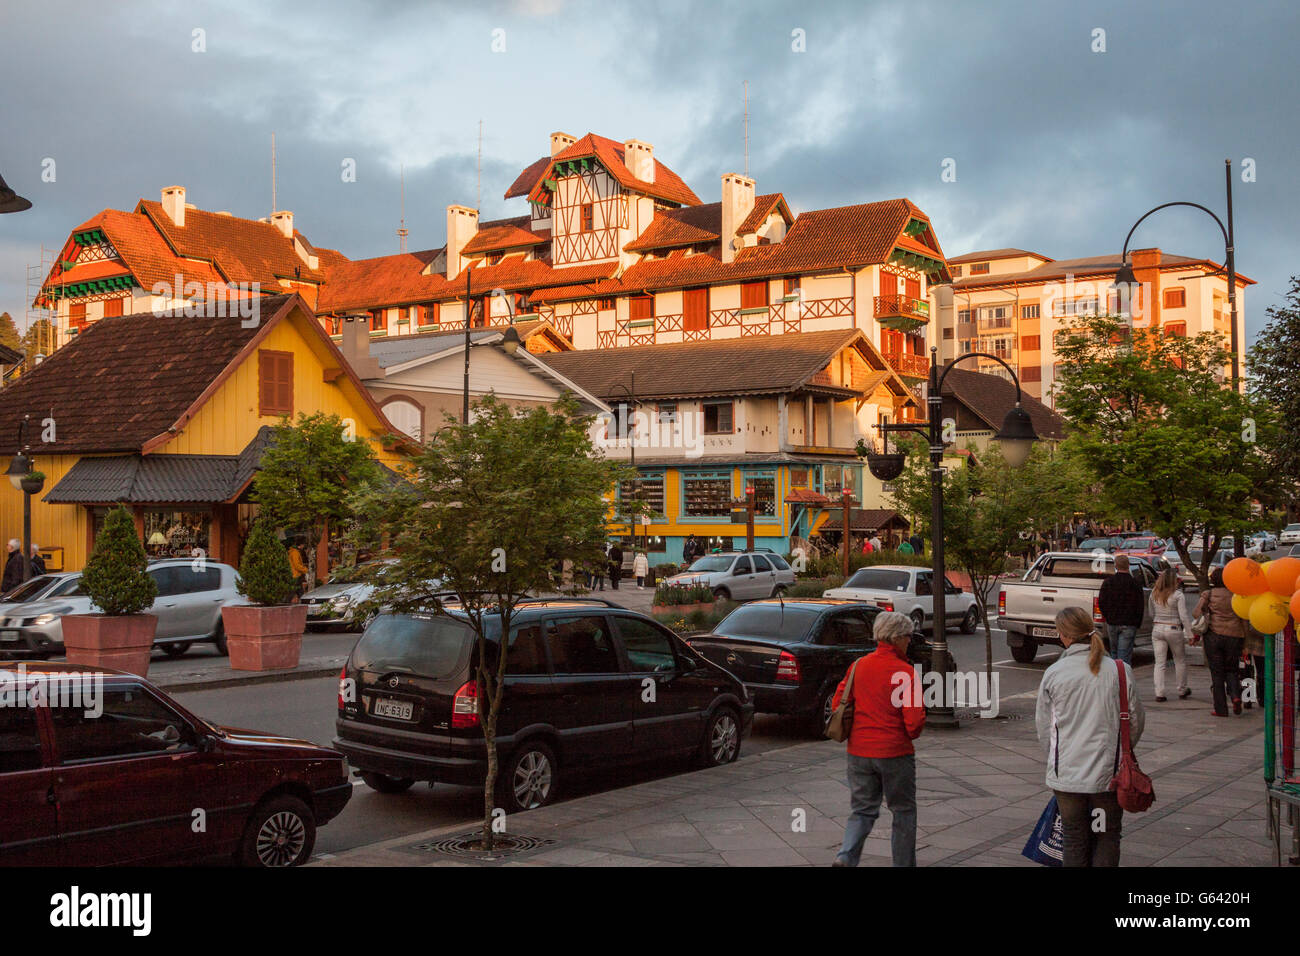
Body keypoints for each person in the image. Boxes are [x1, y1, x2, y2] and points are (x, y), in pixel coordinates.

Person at [1035, 605, 1145, 867]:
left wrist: (1057, 759)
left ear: (1064, 635)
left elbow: (1044, 729)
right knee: (1107, 836)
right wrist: (1121, 751)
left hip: (1068, 776)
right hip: (1109, 774)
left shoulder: (1054, 673)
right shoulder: (1119, 670)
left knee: (1074, 838)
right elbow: (1136, 722)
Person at [831, 610, 925, 867]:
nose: (909, 641)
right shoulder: (905, 672)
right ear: (896, 638)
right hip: (895, 753)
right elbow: (914, 723)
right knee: (903, 811)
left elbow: (838, 702)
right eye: (908, 636)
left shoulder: (858, 666)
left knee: (862, 810)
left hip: (859, 752)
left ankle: (846, 856)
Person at [1194, 567, 1247, 716]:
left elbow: (1195, 612)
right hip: (1234, 635)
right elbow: (1243, 618)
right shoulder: (1236, 595)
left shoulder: (1208, 594)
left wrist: (1206, 611)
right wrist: (1245, 640)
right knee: (1232, 669)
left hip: (1214, 636)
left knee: (1217, 673)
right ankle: (1236, 696)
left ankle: (1221, 709)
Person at [1149, 568, 1192, 702]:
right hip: (1174, 628)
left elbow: (1151, 613)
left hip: (1157, 627)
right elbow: (1184, 616)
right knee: (1179, 660)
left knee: (1159, 663)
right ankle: (1182, 689)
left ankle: (1160, 692)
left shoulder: (1154, 593)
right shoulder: (1178, 595)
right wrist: (1190, 634)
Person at [1098, 553, 1143, 665]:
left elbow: (1102, 602)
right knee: (1124, 654)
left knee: (1114, 652)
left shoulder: (1108, 582)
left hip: (1112, 622)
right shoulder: (1135, 583)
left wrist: (1107, 616)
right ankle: (1123, 677)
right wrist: (1137, 622)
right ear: (1128, 566)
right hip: (1129, 623)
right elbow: (1140, 605)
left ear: (1116, 566)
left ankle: (1115, 676)